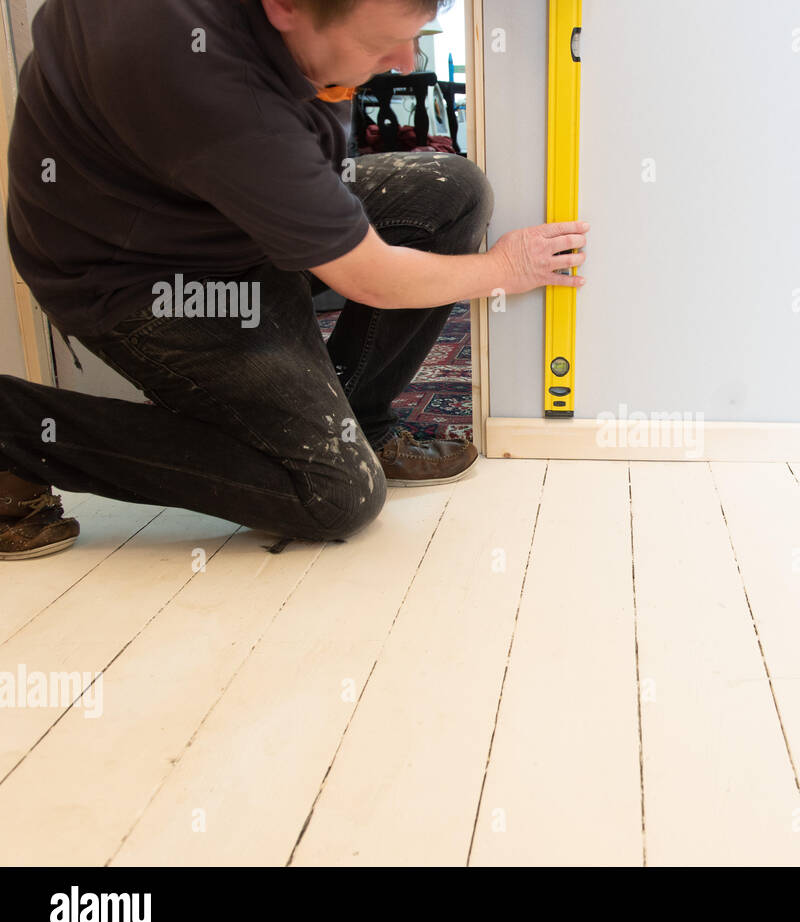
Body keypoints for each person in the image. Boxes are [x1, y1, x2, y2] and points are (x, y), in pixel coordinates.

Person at [0, 0, 588, 559]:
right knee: (334, 495)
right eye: (384, 41)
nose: (408, 62)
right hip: (144, 276)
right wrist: (505, 270)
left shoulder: (272, 48)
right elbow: (371, 278)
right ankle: (18, 429)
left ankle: (361, 416)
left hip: (215, 204)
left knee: (449, 194)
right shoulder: (211, 86)